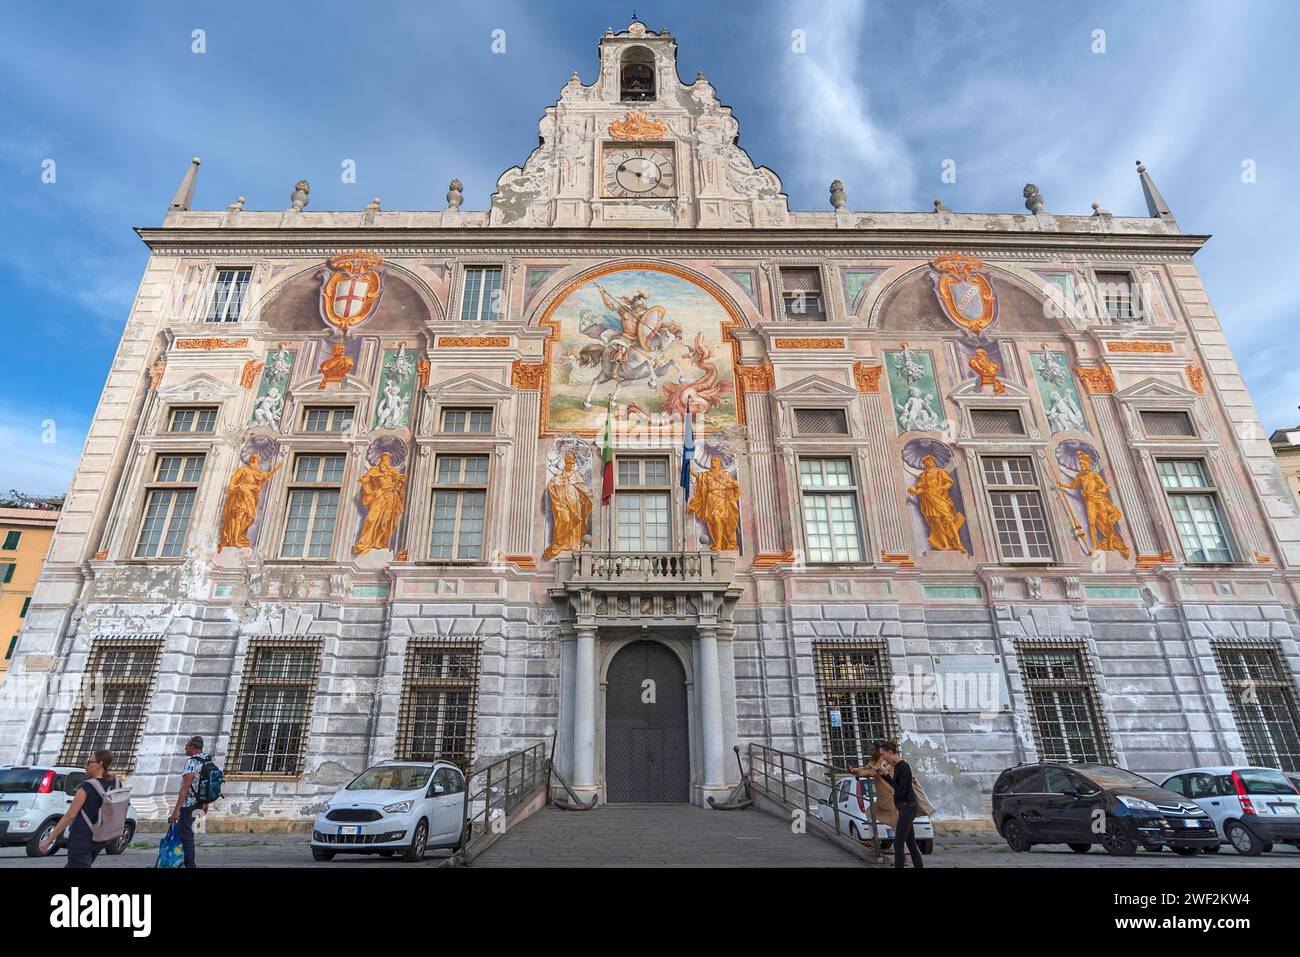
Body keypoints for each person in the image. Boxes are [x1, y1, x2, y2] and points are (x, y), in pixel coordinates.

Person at [40, 749, 116, 867]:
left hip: (82, 839)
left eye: (89, 762)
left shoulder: (87, 786)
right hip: (101, 837)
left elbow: (70, 815)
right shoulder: (116, 784)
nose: (86, 766)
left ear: (100, 764)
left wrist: (49, 840)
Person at [877, 740, 924, 869]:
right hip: (905, 808)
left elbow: (901, 790)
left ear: (890, 752)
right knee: (911, 843)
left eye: (883, 754)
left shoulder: (904, 767)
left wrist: (887, 776)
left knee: (898, 844)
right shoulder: (897, 767)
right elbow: (898, 787)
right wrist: (886, 777)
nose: (883, 757)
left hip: (907, 808)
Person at [170, 735, 211, 868]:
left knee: (186, 836)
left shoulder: (191, 762)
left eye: (187, 746)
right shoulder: (208, 759)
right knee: (184, 833)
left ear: (192, 747)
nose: (185, 748)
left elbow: (186, 786)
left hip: (189, 803)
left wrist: (176, 810)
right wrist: (205, 803)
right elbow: (208, 783)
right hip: (200, 802)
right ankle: (178, 861)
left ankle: (189, 865)